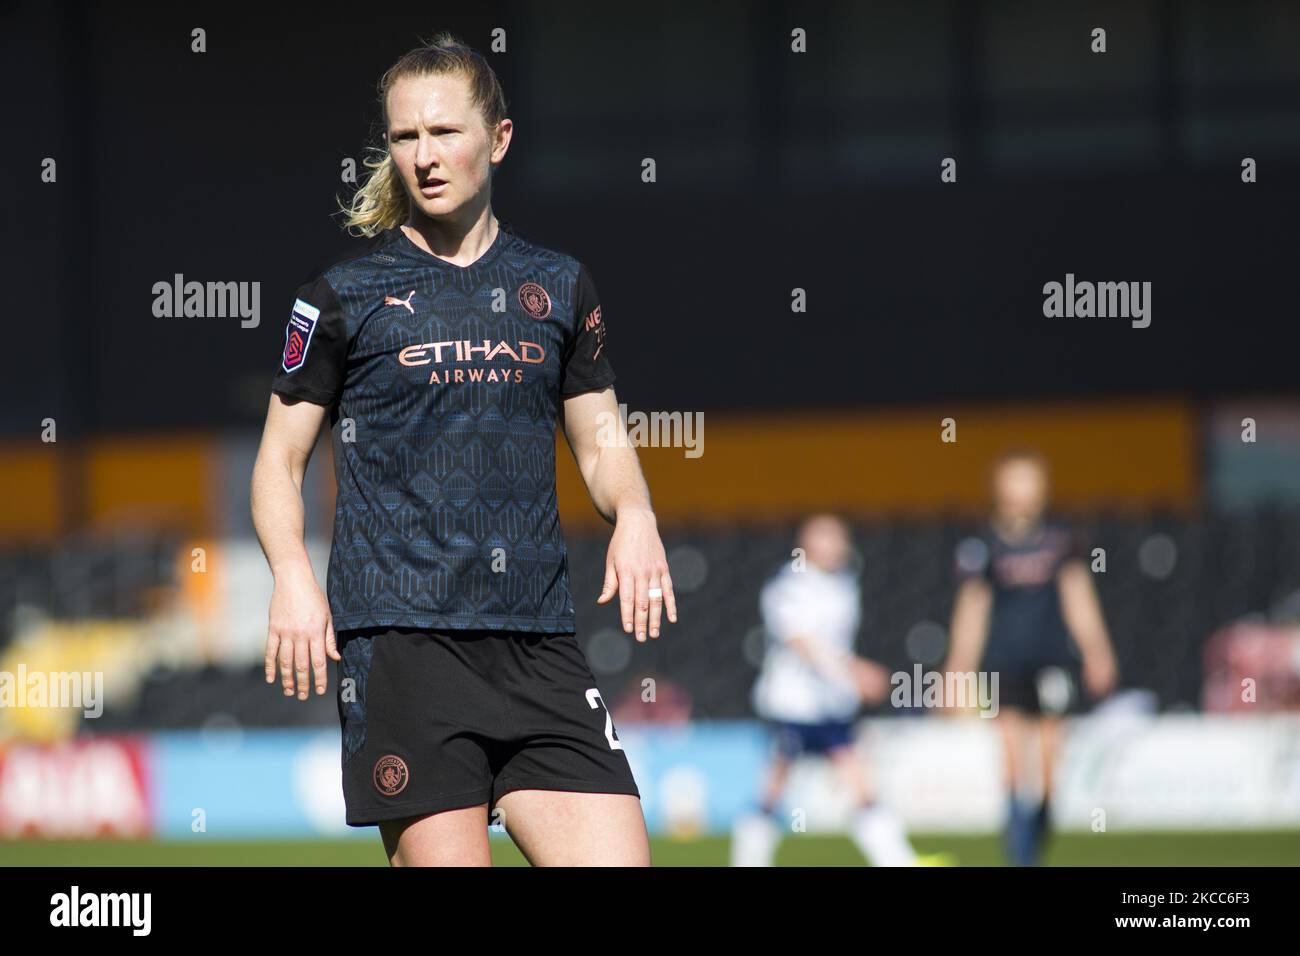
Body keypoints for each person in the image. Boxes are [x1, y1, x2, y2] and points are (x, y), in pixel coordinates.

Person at [250, 33, 676, 866]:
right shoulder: (340, 299)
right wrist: (293, 576)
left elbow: (597, 438)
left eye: (445, 132)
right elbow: (277, 461)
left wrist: (636, 514)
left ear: (500, 139)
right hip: (403, 647)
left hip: (538, 644)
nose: (424, 155)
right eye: (405, 137)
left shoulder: (558, 286)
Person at [943, 449, 1118, 866]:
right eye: (1018, 480)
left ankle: (1035, 836)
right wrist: (958, 668)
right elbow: (972, 610)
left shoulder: (1061, 540)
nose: (1028, 490)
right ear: (1000, 488)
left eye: (1033, 480)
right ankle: (1020, 858)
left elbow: (1078, 598)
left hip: (1051, 660)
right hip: (1004, 662)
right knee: (1011, 762)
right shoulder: (983, 546)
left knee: (1048, 769)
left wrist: (1098, 651)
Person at [731, 514, 937, 867]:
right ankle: (748, 859)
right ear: (805, 544)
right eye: (826, 537)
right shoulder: (788, 587)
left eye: (839, 538)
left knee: (858, 781)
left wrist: (848, 679)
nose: (836, 546)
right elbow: (802, 642)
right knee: (775, 786)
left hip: (830, 707)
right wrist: (856, 674)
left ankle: (897, 859)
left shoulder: (844, 585)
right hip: (792, 706)